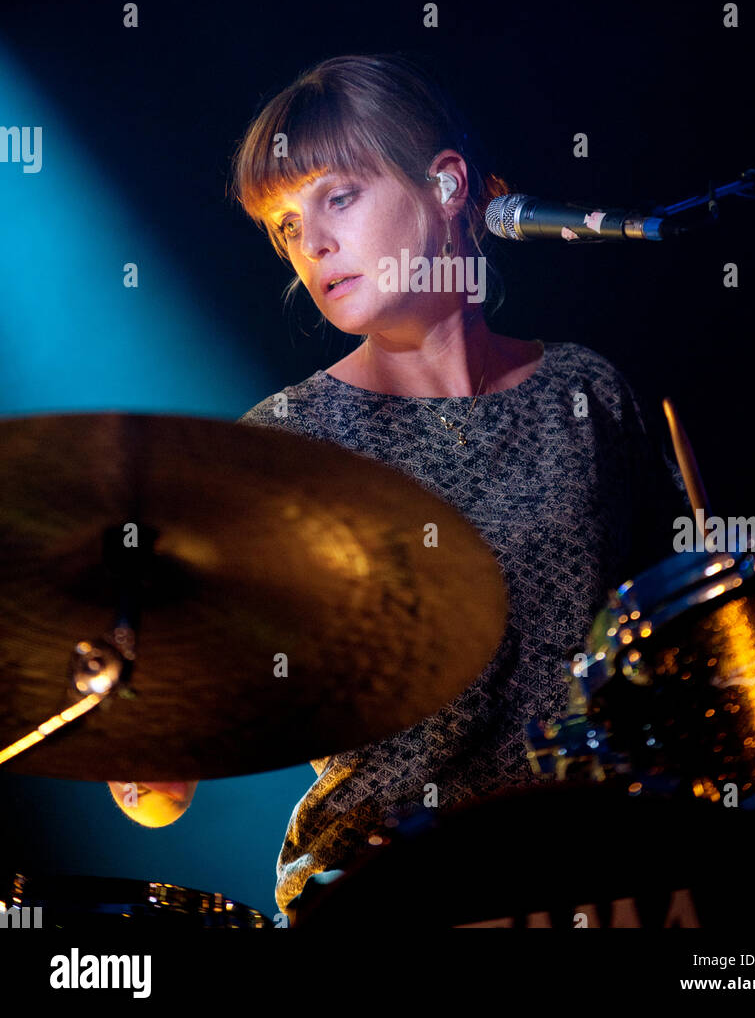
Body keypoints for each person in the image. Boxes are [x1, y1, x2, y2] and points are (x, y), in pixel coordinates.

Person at [108, 52, 689, 921]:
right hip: (394, 902)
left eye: (336, 197)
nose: (312, 244)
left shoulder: (589, 392)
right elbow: (159, 778)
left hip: (616, 876)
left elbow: (690, 650)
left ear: (448, 185)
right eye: (284, 226)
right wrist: (148, 741)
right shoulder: (287, 442)